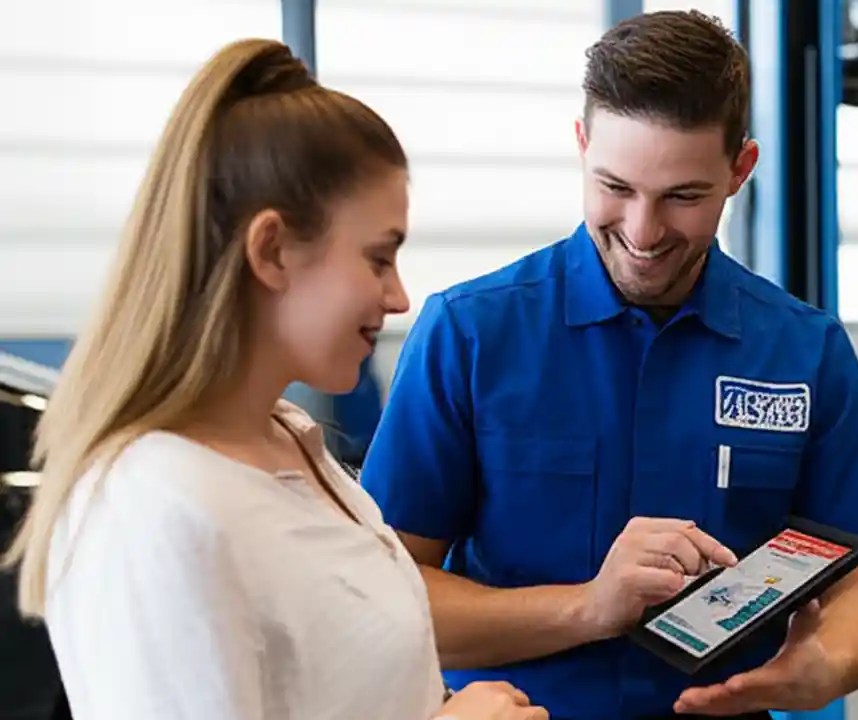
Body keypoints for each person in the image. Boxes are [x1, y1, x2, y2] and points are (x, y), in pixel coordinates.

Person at [361, 10, 858, 720]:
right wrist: (591, 608)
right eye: (615, 187)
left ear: (740, 169)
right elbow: (386, 598)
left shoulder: (804, 351)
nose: (643, 232)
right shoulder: (469, 334)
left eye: (683, 196)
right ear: (582, 144)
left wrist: (830, 666)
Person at [1, 38, 545, 720]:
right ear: (272, 250)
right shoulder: (155, 507)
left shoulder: (291, 443)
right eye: (378, 257)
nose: (399, 296)